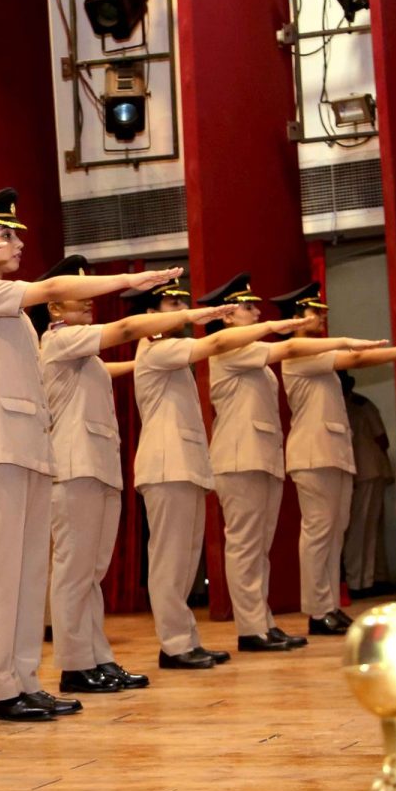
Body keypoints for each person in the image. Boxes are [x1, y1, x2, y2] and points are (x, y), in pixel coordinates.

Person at [0, 188, 184, 721]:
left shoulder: (7, 302)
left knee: (30, 571)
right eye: (4, 234)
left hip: (28, 442)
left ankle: (24, 678)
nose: (16, 243)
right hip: (1, 442)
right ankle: (1, 688)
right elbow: (52, 286)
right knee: (4, 569)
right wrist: (129, 281)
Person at [35, 255, 227, 692]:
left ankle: (96, 657)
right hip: (74, 466)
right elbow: (123, 332)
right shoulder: (60, 341)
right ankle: (74, 665)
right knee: (73, 570)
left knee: (91, 572)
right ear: (53, 307)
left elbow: (129, 361)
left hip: (97, 465)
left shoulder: (84, 353)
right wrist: (195, 315)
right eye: (77, 295)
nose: (88, 302)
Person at [124, 275, 310, 669]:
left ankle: (186, 640)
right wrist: (274, 326)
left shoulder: (168, 348)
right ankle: (174, 644)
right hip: (166, 462)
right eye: (173, 305)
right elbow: (214, 342)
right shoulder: (156, 348)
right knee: (170, 561)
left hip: (184, 461)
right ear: (149, 314)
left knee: (186, 559)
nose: (182, 311)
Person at [196, 273, 384, 652]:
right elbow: (289, 350)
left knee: (258, 546)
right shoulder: (229, 351)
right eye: (247, 307)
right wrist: (347, 340)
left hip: (260, 455)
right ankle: (250, 628)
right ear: (228, 316)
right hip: (239, 456)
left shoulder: (251, 353)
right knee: (246, 545)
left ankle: (262, 621)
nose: (255, 312)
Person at [271, 282, 396, 634]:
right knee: (319, 533)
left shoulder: (315, 354)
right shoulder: (297, 353)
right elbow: (356, 358)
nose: (321, 317)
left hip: (332, 451)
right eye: (312, 311)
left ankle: (329, 606)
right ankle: (316, 609)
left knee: (335, 532)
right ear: (294, 318)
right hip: (313, 454)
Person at [341, 372, 395, 596]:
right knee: (369, 528)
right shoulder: (360, 404)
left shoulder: (349, 406)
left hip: (364, 471)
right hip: (371, 469)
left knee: (360, 529)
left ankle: (360, 582)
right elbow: (383, 440)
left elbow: (381, 440)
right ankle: (371, 578)